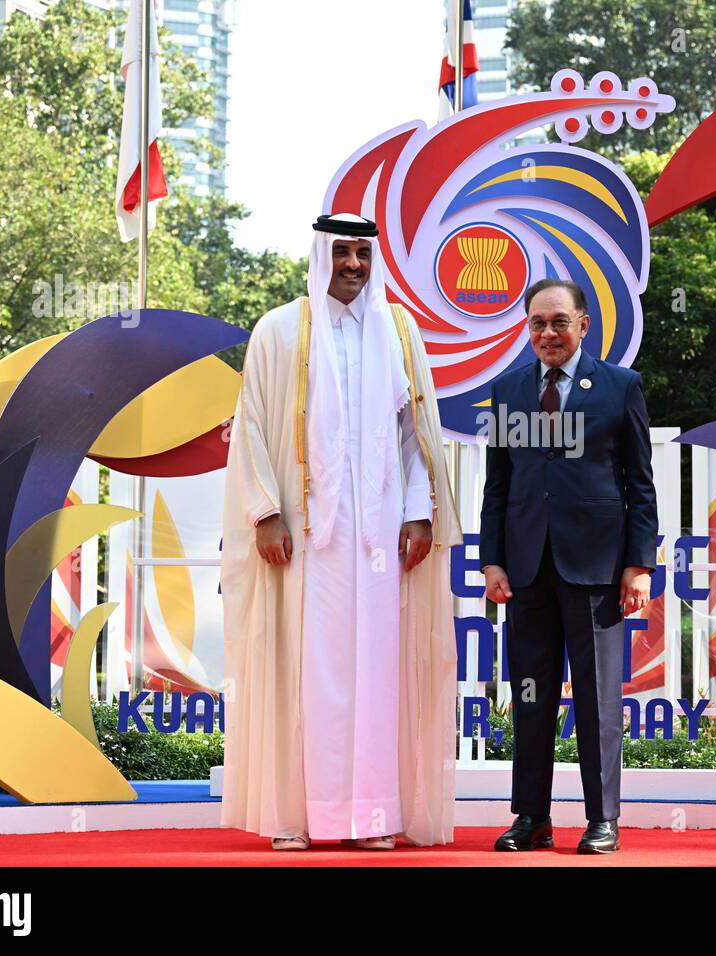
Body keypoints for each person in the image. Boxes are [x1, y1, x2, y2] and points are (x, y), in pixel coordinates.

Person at [220, 212, 461, 851]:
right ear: (322, 253)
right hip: (306, 535)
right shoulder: (278, 331)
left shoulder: (400, 332)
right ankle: (298, 814)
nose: (353, 265)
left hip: (382, 537)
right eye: (343, 253)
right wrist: (264, 511)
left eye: (362, 253)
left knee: (378, 668)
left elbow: (417, 439)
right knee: (309, 666)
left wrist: (419, 511)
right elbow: (248, 428)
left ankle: (372, 815)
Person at [479, 278, 658, 854]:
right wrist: (493, 561)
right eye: (537, 323)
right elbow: (498, 485)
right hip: (528, 569)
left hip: (596, 569)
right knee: (530, 695)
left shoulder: (620, 387)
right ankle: (530, 818)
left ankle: (602, 818)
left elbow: (640, 484)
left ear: (583, 325)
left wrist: (638, 564)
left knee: (596, 700)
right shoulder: (507, 392)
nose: (548, 333)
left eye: (559, 322)